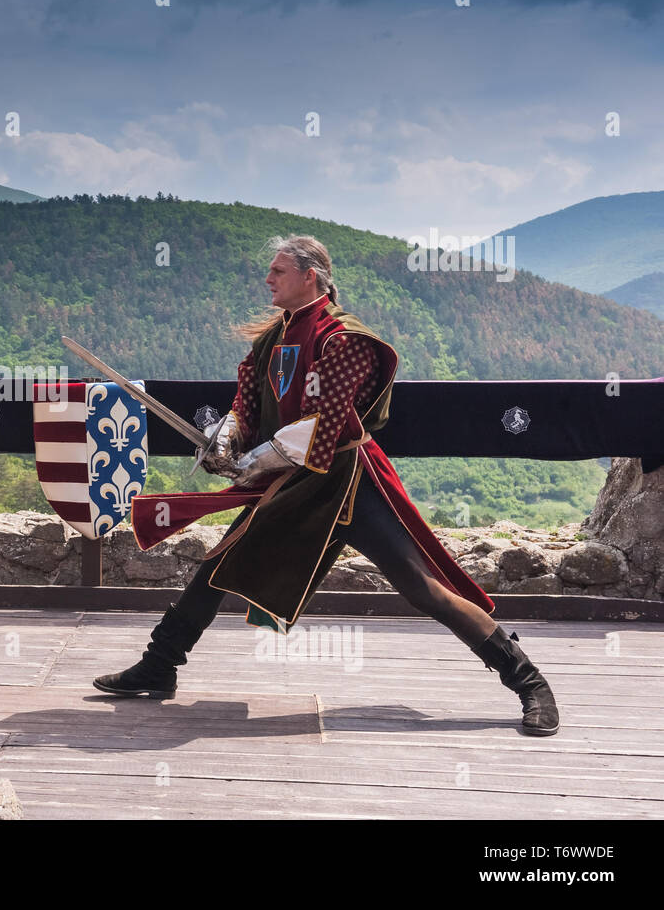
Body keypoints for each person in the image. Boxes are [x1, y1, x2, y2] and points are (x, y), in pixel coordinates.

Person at [96, 234, 559, 736]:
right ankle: (160, 664)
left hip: (347, 481)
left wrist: (252, 464)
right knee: (218, 564)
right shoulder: (272, 339)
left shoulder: (345, 339)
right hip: (296, 482)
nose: (267, 279)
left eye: (277, 271)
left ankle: (530, 682)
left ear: (309, 275)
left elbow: (324, 427)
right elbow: (245, 406)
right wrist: (225, 440)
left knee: (424, 590)